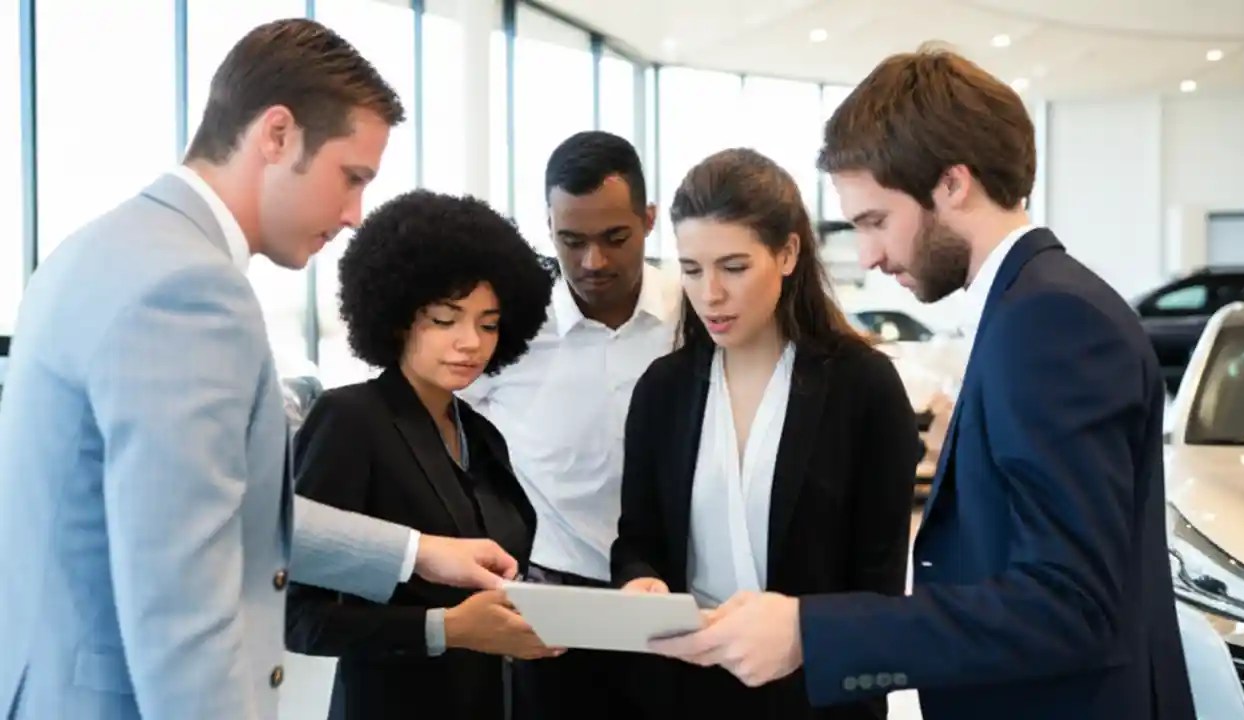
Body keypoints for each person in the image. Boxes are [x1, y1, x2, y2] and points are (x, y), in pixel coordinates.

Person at [650, 47, 1196, 720]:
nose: (870, 256)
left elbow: (1071, 604)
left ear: (953, 184)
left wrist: (807, 633)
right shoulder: (1031, 305)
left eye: (876, 221)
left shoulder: (1051, 319)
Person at [0, 20, 516, 720]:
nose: (354, 214)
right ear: (277, 135)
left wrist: (415, 553)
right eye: (351, 177)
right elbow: (183, 607)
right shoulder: (188, 288)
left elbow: (215, 507)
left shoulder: (106, 247)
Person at [613, 148, 919, 719]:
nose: (710, 293)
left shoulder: (863, 388)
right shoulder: (663, 390)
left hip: (816, 698)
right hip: (683, 690)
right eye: (691, 269)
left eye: (734, 267)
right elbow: (637, 540)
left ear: (788, 254)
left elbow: (876, 590)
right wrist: (641, 583)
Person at [285, 190, 559, 719]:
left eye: (488, 323)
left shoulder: (481, 435)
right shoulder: (350, 421)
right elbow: (297, 618)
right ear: (399, 318)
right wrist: (446, 630)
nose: (470, 342)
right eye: (445, 319)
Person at [460, 130, 680, 719]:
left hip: (672, 590)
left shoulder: (693, 314)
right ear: (549, 226)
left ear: (649, 219)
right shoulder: (510, 331)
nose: (593, 262)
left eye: (615, 238)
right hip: (552, 599)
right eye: (572, 240)